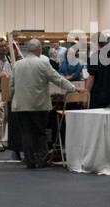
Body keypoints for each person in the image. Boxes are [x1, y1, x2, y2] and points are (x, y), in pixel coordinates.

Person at [9, 38, 82, 168]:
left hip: (20, 105)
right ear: (40, 50)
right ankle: (42, 160)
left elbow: (12, 86)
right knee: (40, 133)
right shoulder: (43, 64)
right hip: (38, 105)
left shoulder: (17, 65)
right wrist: (75, 88)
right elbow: (58, 79)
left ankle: (29, 161)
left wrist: (13, 98)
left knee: (26, 133)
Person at [85, 34, 110, 109]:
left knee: (96, 119)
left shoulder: (94, 57)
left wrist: (86, 94)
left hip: (97, 95)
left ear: (96, 43)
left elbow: (91, 77)